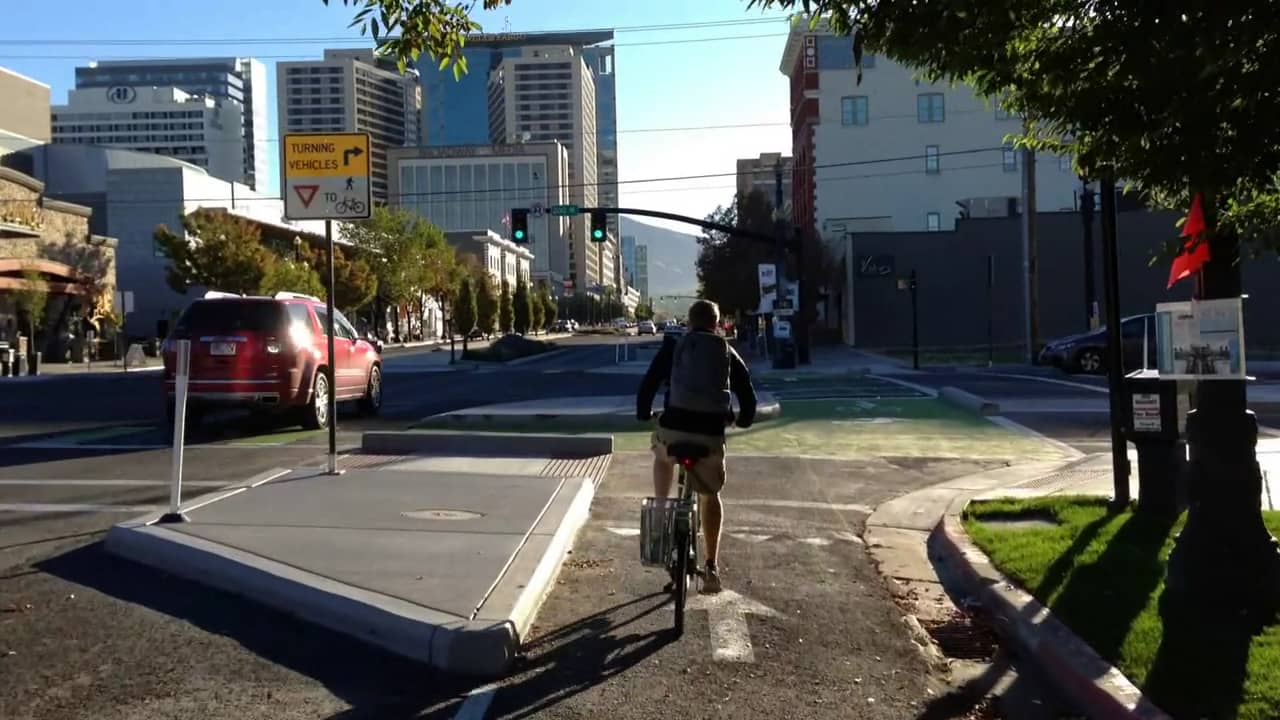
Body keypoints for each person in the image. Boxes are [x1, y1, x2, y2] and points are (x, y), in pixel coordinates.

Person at [636, 299, 757, 594]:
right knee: (710, 494)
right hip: (710, 436)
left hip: (674, 431)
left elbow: (648, 385)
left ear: (688, 323)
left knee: (661, 454)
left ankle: (662, 506)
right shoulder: (725, 351)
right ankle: (712, 567)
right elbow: (748, 396)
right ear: (716, 324)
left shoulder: (674, 347)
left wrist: (643, 413)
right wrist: (742, 421)